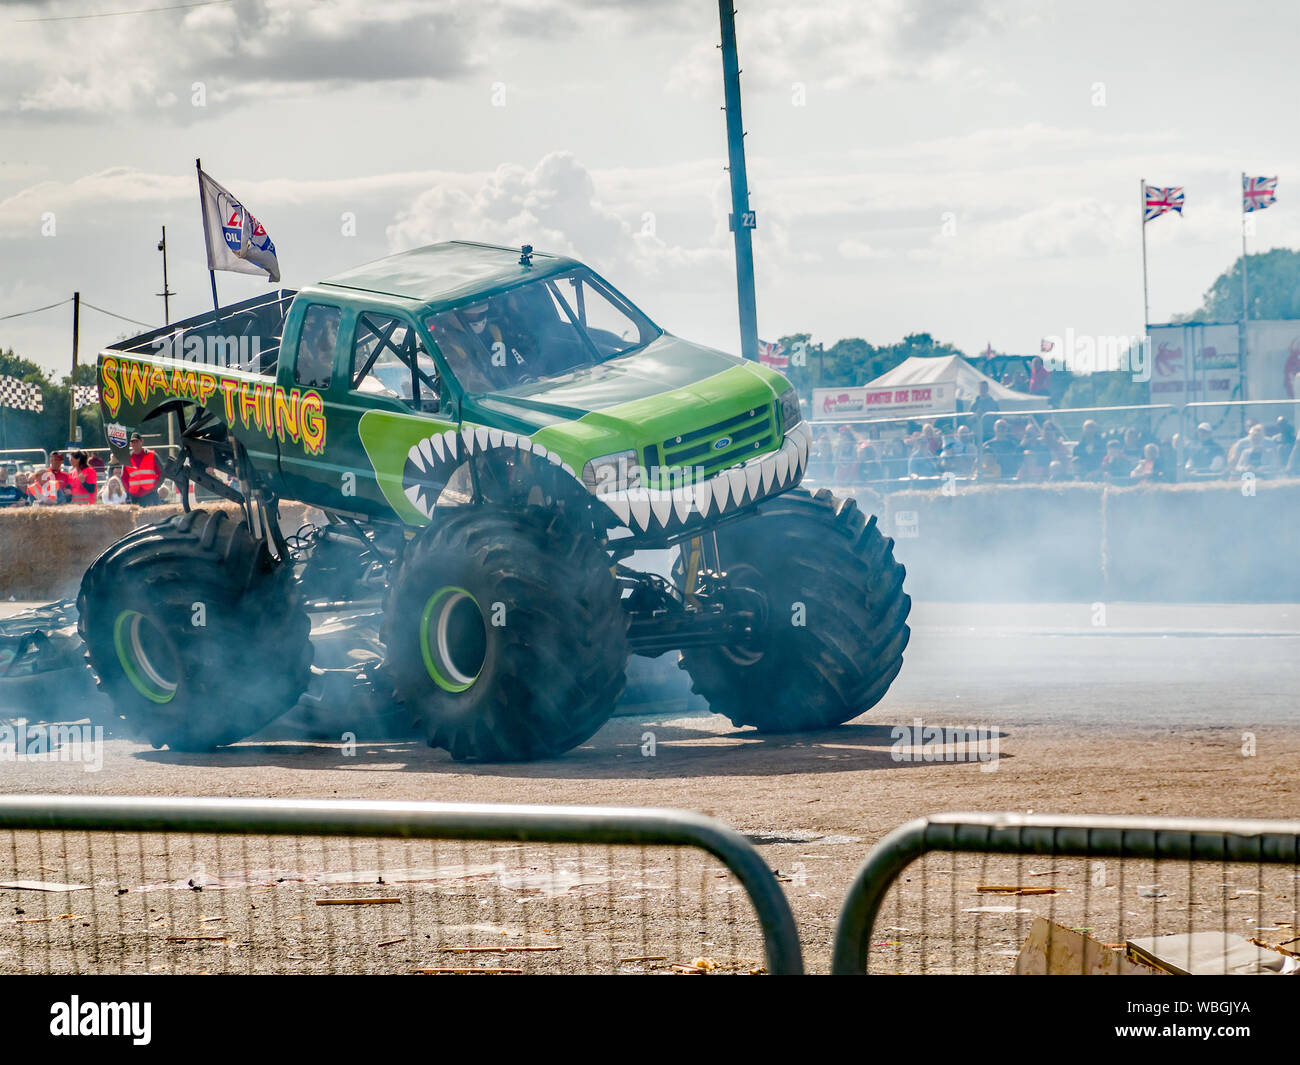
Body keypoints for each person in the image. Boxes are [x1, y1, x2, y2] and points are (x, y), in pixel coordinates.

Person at [124, 432, 163, 505]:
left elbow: (161, 473)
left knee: (154, 515)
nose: (134, 444)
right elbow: (124, 477)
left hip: (150, 494)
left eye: (136, 441)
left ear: (141, 441)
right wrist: (129, 490)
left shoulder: (152, 455)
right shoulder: (127, 458)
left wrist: (155, 487)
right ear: (130, 444)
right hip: (135, 495)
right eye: (132, 442)